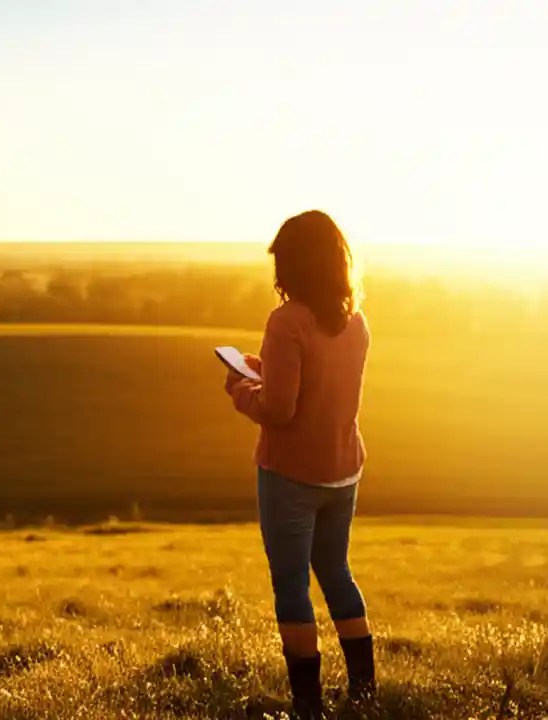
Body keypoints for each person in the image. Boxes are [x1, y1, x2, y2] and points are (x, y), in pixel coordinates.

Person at [224, 210, 374, 718]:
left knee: (291, 585)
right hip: (343, 469)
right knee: (336, 571)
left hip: (291, 474)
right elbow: (321, 386)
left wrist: (243, 388)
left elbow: (280, 410)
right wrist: (268, 371)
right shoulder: (356, 322)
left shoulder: (286, 321)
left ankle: (307, 705)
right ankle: (363, 691)